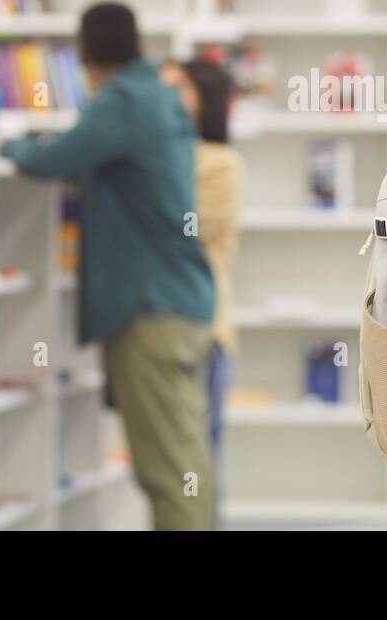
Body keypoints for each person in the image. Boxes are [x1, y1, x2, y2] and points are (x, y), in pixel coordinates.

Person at [0, 2, 216, 531]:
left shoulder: (122, 100)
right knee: (186, 464)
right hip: (181, 302)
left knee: (166, 475)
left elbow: (54, 158)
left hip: (150, 309)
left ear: (84, 55)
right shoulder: (162, 99)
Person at [159, 58, 245, 523]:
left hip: (204, 333)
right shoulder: (165, 158)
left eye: (177, 89)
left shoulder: (218, 163)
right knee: (175, 472)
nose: (163, 99)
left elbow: (179, 230)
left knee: (197, 467)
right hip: (166, 331)